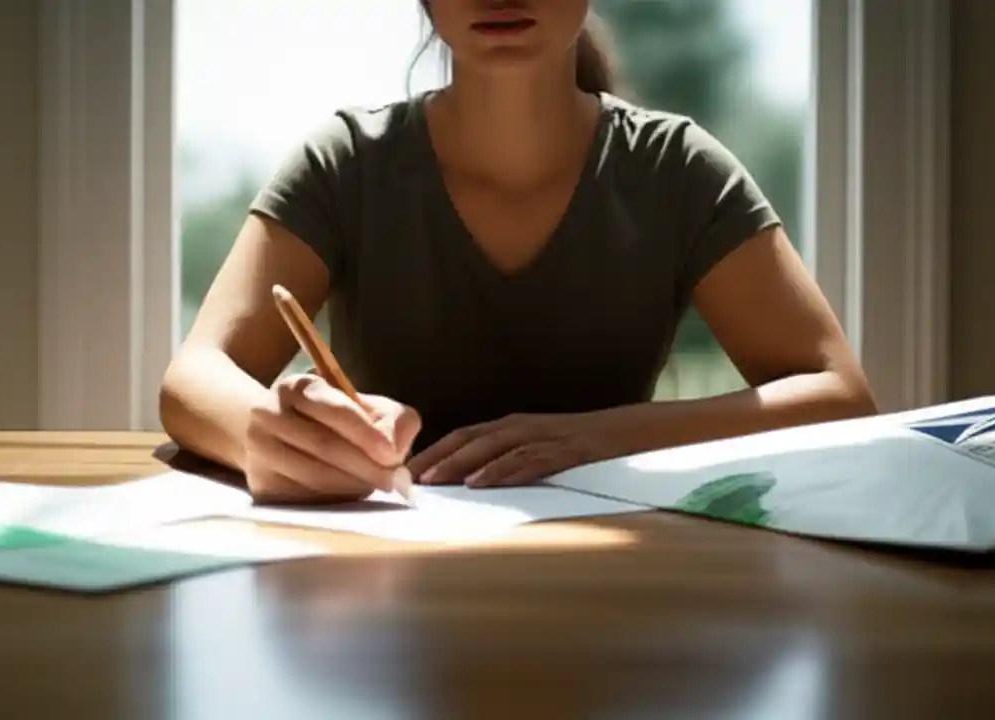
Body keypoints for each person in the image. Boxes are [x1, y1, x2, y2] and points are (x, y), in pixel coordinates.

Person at [159, 0, 877, 505]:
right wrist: (266, 438)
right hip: (381, 590)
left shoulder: (676, 169)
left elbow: (839, 396)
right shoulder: (346, 163)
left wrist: (604, 438)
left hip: (612, 587)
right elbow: (193, 379)